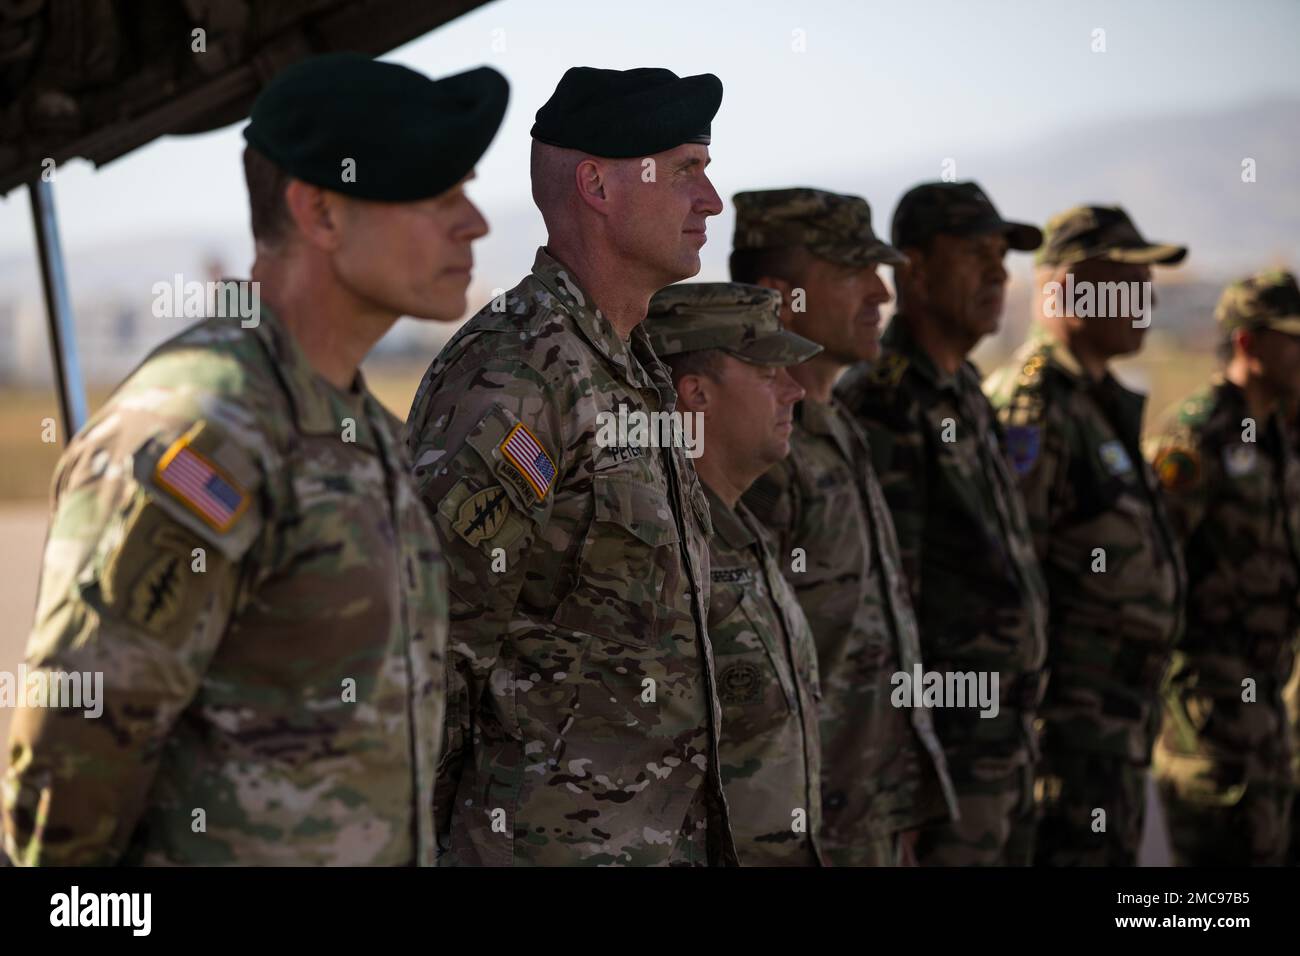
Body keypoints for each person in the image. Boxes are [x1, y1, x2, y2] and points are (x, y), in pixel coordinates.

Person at [2, 52, 508, 865]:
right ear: (322, 213)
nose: (476, 223)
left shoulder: (355, 427)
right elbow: (67, 780)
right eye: (438, 192)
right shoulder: (204, 429)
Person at [405, 66, 738, 866]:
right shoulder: (517, 374)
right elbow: (433, 654)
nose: (712, 202)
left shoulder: (634, 367)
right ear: (596, 185)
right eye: (688, 170)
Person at [730, 187, 958, 865]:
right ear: (781, 293)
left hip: (869, 816)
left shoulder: (835, 426)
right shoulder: (760, 450)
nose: (881, 294)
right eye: (853, 272)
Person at [836, 181, 1048, 865]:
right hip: (943, 761)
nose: (997, 272)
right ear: (915, 269)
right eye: (976, 253)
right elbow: (886, 614)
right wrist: (904, 787)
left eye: (1002, 255)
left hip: (1002, 745)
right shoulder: (886, 400)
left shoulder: (966, 392)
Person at [984, 204, 1187, 866]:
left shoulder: (1095, 401)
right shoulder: (1033, 407)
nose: (1144, 298)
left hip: (1113, 732)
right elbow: (1008, 587)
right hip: (1064, 742)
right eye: (1125, 279)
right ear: (1067, 291)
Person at [645, 281, 826, 865]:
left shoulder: (743, 529)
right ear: (695, 393)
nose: (795, 390)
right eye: (768, 373)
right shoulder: (657, 548)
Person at [1145, 269, 1300, 866]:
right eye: (1293, 337)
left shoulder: (1279, 433)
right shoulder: (1196, 435)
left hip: (1267, 691)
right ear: (1248, 343)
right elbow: (1156, 565)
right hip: (1207, 706)